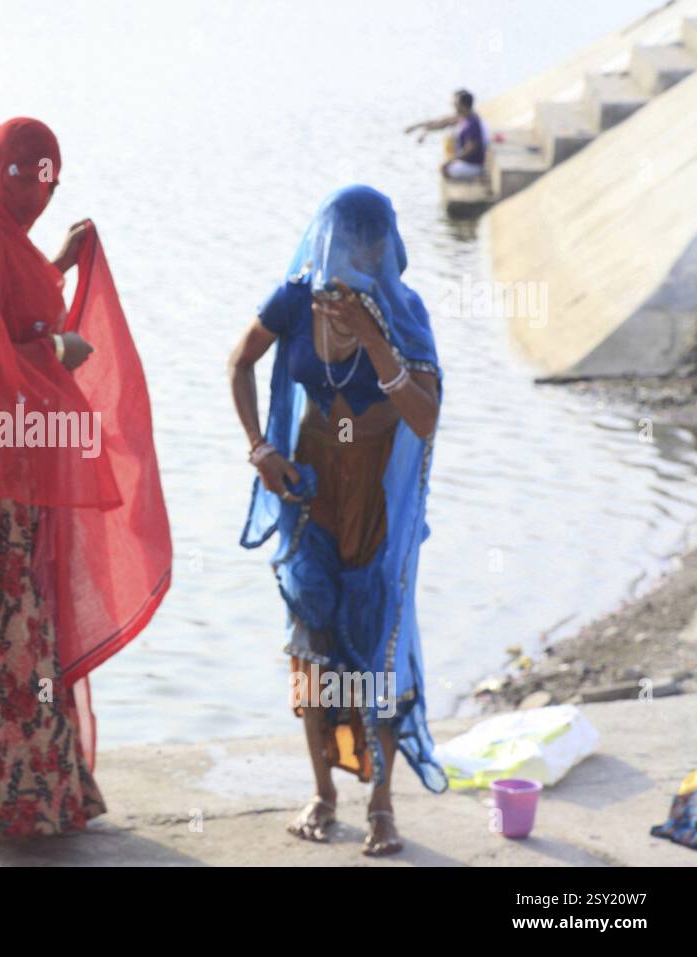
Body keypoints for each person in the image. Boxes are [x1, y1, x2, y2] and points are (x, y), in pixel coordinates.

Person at [0, 118, 171, 840]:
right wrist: (57, 348)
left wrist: (57, 263)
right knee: (5, 622)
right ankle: (15, 799)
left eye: (47, 181)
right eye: (26, 178)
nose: (37, 195)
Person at [229, 186, 448, 857]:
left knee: (375, 644)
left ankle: (381, 804)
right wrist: (260, 448)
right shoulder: (295, 298)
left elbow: (426, 415)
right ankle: (323, 792)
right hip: (310, 489)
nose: (350, 257)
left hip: (375, 498)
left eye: (365, 246)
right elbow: (240, 361)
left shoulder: (404, 314)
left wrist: (378, 341)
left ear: (383, 249)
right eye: (342, 242)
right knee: (313, 643)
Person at [405, 89, 487, 180]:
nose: (453, 106)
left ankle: (462, 187)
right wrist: (415, 127)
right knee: (444, 161)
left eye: (456, 104)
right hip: (466, 162)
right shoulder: (464, 117)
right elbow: (440, 123)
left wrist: (450, 161)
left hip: (473, 166)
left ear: (463, 106)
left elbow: (470, 148)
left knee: (443, 168)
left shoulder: (472, 123)